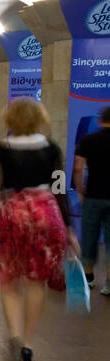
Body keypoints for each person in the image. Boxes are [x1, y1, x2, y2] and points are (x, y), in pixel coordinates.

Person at [0, 98, 79, 361]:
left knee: (9, 279)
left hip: (13, 214)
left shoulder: (2, 148)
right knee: (36, 282)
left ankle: (14, 334)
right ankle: (28, 344)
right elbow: (60, 189)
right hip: (45, 213)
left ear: (10, 119)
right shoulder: (51, 147)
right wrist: (70, 228)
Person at [73, 105, 110, 296]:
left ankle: (89, 279)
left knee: (89, 236)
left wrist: (80, 191)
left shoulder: (88, 140)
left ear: (100, 121)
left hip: (93, 195)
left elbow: (79, 167)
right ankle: (109, 283)